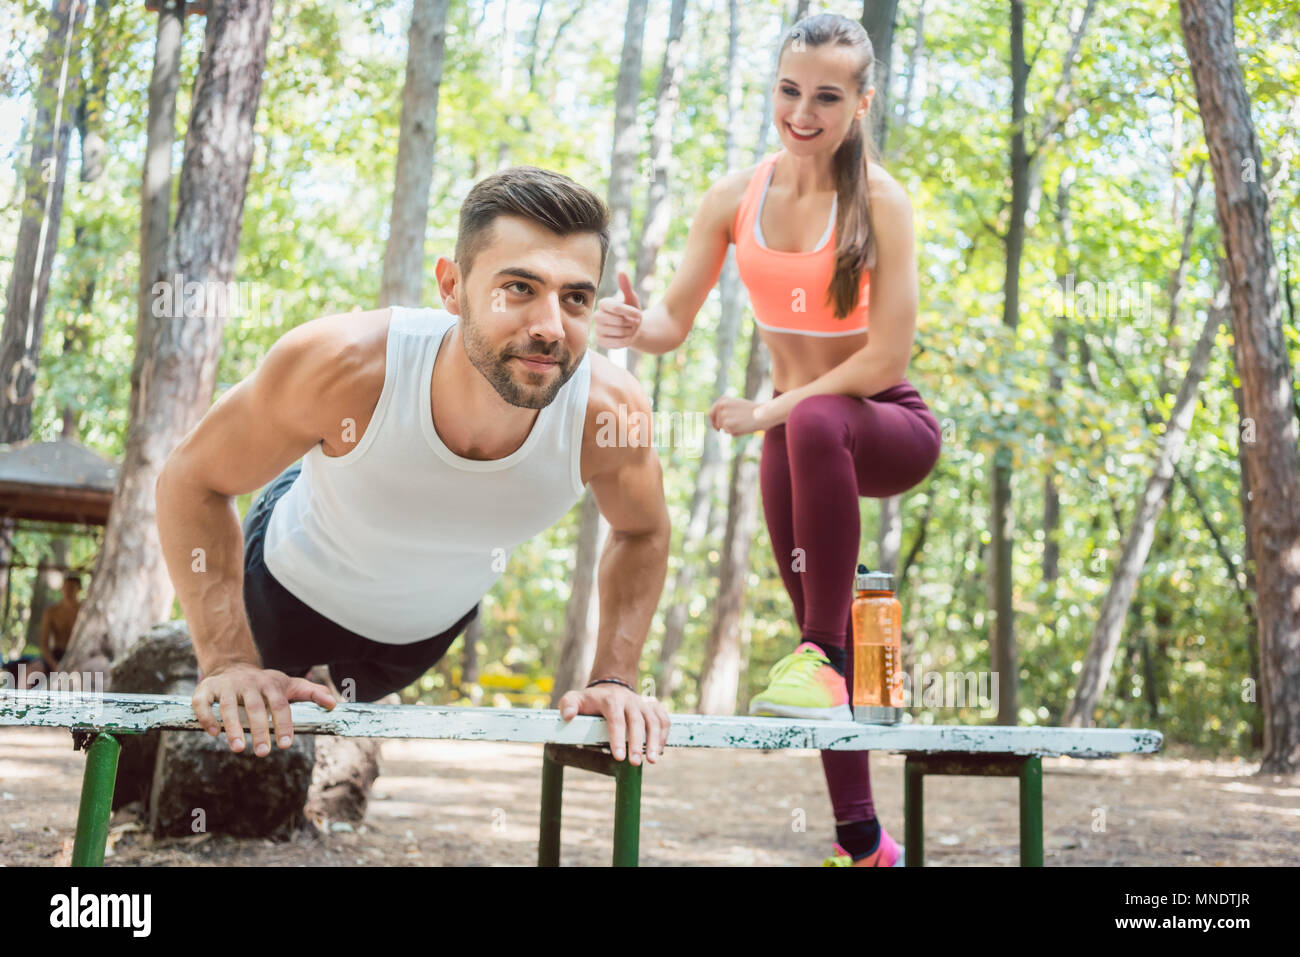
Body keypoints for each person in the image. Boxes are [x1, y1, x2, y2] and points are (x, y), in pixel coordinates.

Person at [156, 166, 671, 768]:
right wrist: (227, 660)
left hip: (418, 637)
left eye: (575, 297)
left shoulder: (612, 413)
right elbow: (192, 478)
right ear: (452, 287)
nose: (550, 328)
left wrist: (615, 677)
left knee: (331, 729)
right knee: (231, 758)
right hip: (285, 590)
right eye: (519, 288)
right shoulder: (342, 363)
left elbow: (643, 530)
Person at [594, 13, 941, 866]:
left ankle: (823, 651)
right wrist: (638, 328)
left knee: (814, 425)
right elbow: (676, 318)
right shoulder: (734, 196)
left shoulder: (880, 203)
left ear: (861, 103)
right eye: (790, 90)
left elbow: (885, 356)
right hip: (795, 434)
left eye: (828, 96)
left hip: (885, 422)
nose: (803, 111)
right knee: (813, 649)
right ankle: (865, 840)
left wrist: (768, 410)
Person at [40, 573, 83, 671]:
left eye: (72, 587)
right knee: (29, 672)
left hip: (80, 655)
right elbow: (44, 644)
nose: (68, 591)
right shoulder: (51, 612)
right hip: (57, 655)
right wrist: (53, 663)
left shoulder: (86, 612)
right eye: (65, 587)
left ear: (79, 589)